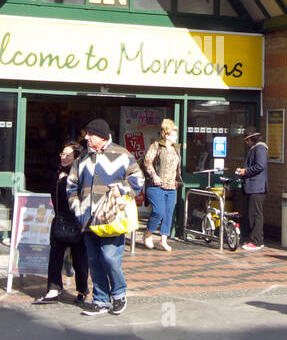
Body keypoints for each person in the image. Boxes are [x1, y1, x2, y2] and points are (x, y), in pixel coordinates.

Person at [68, 118, 144, 316]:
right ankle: (100, 299)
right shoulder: (82, 158)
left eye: (90, 135)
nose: (86, 138)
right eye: (86, 134)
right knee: (94, 260)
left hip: (111, 217)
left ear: (101, 136)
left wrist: (120, 188)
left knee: (110, 258)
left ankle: (118, 294)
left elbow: (138, 179)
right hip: (87, 219)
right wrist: (77, 208)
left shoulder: (122, 154)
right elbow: (71, 185)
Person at [35, 142, 89, 304]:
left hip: (77, 221)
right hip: (60, 219)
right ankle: (53, 289)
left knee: (80, 258)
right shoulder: (58, 173)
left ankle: (82, 291)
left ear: (76, 157)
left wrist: (65, 181)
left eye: (67, 155)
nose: (63, 158)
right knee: (55, 254)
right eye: (62, 154)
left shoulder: (81, 174)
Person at [143, 119, 181, 252]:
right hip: (156, 185)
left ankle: (163, 240)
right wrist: (154, 175)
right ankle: (148, 233)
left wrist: (177, 180)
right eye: (174, 134)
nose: (176, 137)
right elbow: (147, 162)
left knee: (169, 214)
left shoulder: (176, 150)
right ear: (166, 135)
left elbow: (177, 168)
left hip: (171, 186)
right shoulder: (156, 146)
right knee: (158, 212)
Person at [235, 127, 268, 250]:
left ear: (252, 139)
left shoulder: (260, 148)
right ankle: (254, 239)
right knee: (252, 213)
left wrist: (245, 171)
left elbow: (260, 166)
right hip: (253, 187)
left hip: (257, 187)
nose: (246, 143)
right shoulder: (255, 148)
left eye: (247, 140)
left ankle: (256, 241)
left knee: (256, 214)